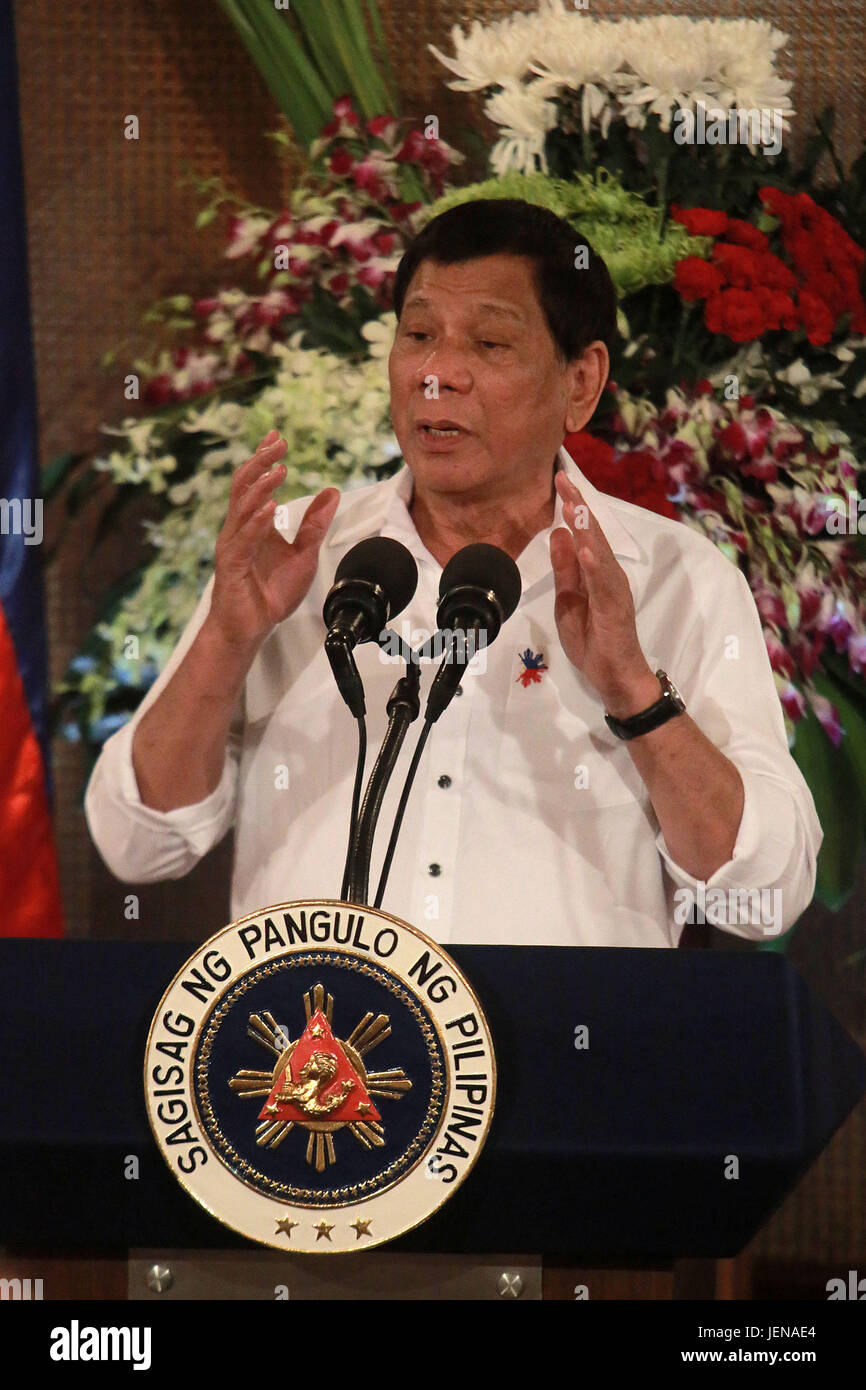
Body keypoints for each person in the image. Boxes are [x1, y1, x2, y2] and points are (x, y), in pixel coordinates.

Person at [84, 199, 821, 946]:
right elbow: (136, 843)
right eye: (419, 336)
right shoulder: (292, 556)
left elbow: (760, 897)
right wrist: (225, 638)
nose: (437, 376)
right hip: (317, 1054)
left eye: (491, 343)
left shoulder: (676, 579)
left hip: (572, 1051)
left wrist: (634, 690)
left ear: (581, 383)